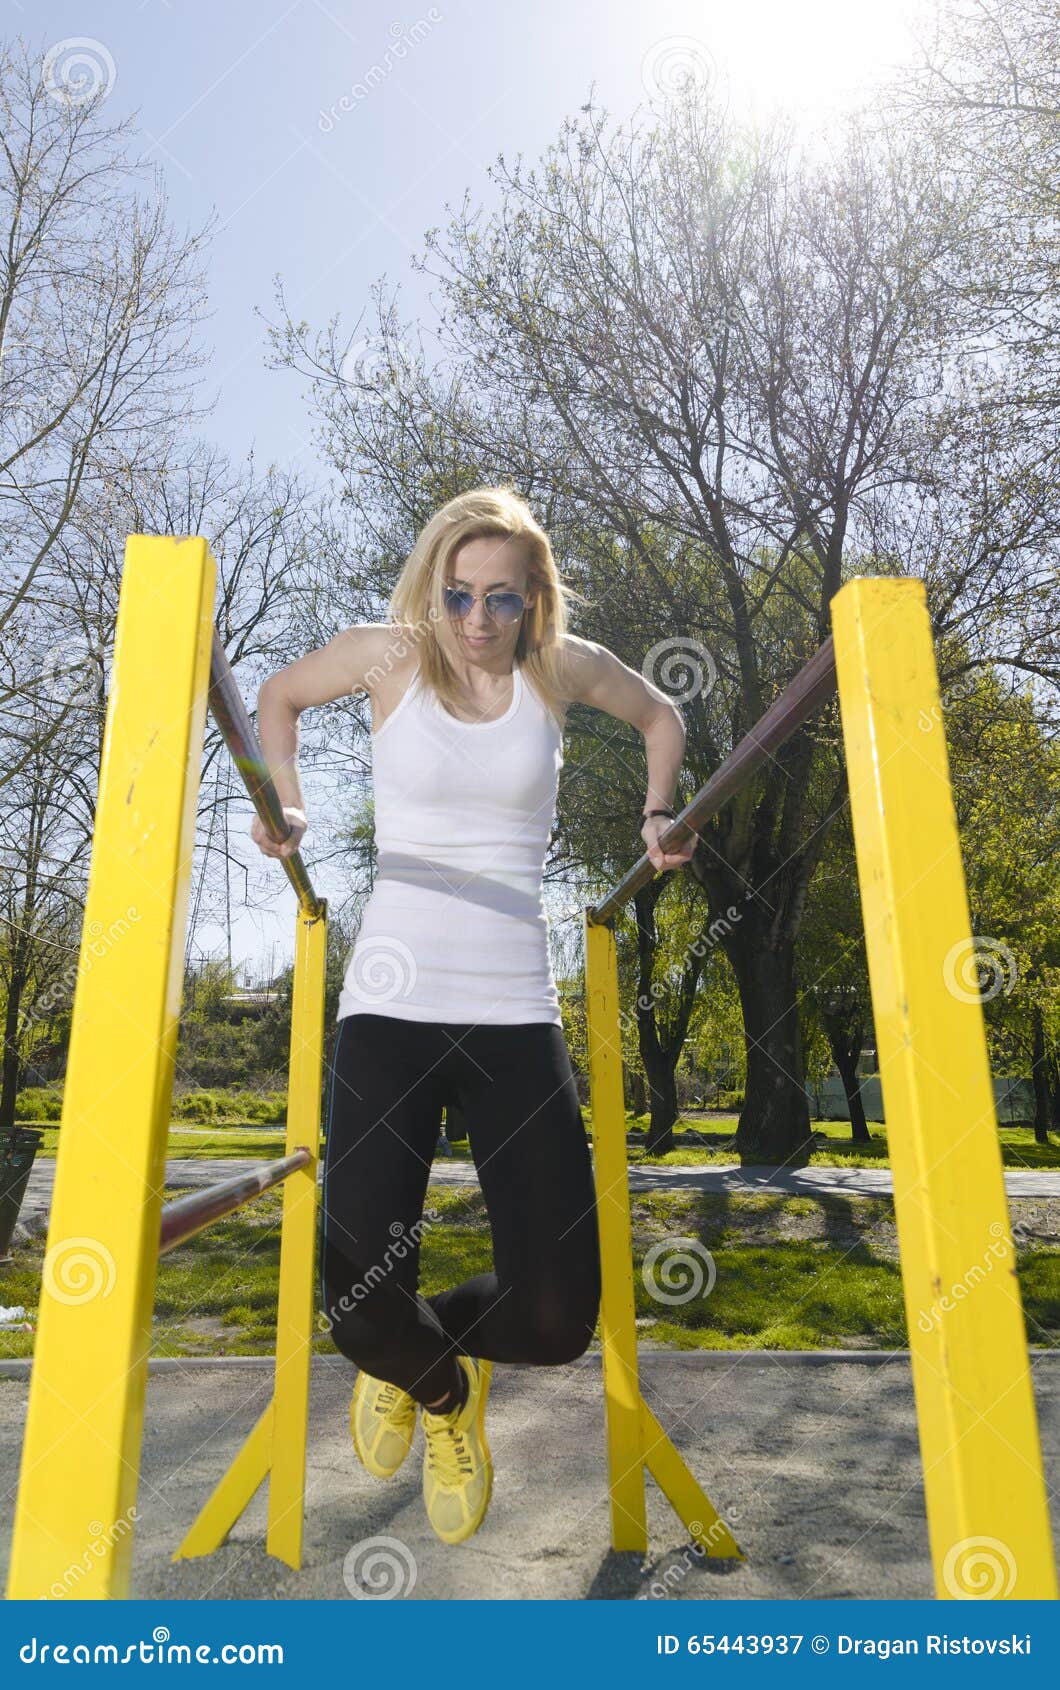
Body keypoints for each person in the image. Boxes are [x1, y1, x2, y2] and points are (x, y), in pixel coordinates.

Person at [252, 486, 696, 1546]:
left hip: (510, 1011)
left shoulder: (558, 666)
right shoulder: (385, 656)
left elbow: (660, 714)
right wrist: (290, 794)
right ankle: (441, 1393)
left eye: (503, 597)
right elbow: (273, 695)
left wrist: (656, 808)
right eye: (458, 594)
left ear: (534, 597)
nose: (477, 620)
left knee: (554, 1322)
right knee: (358, 1305)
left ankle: (416, 1358)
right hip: (390, 1010)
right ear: (432, 585)